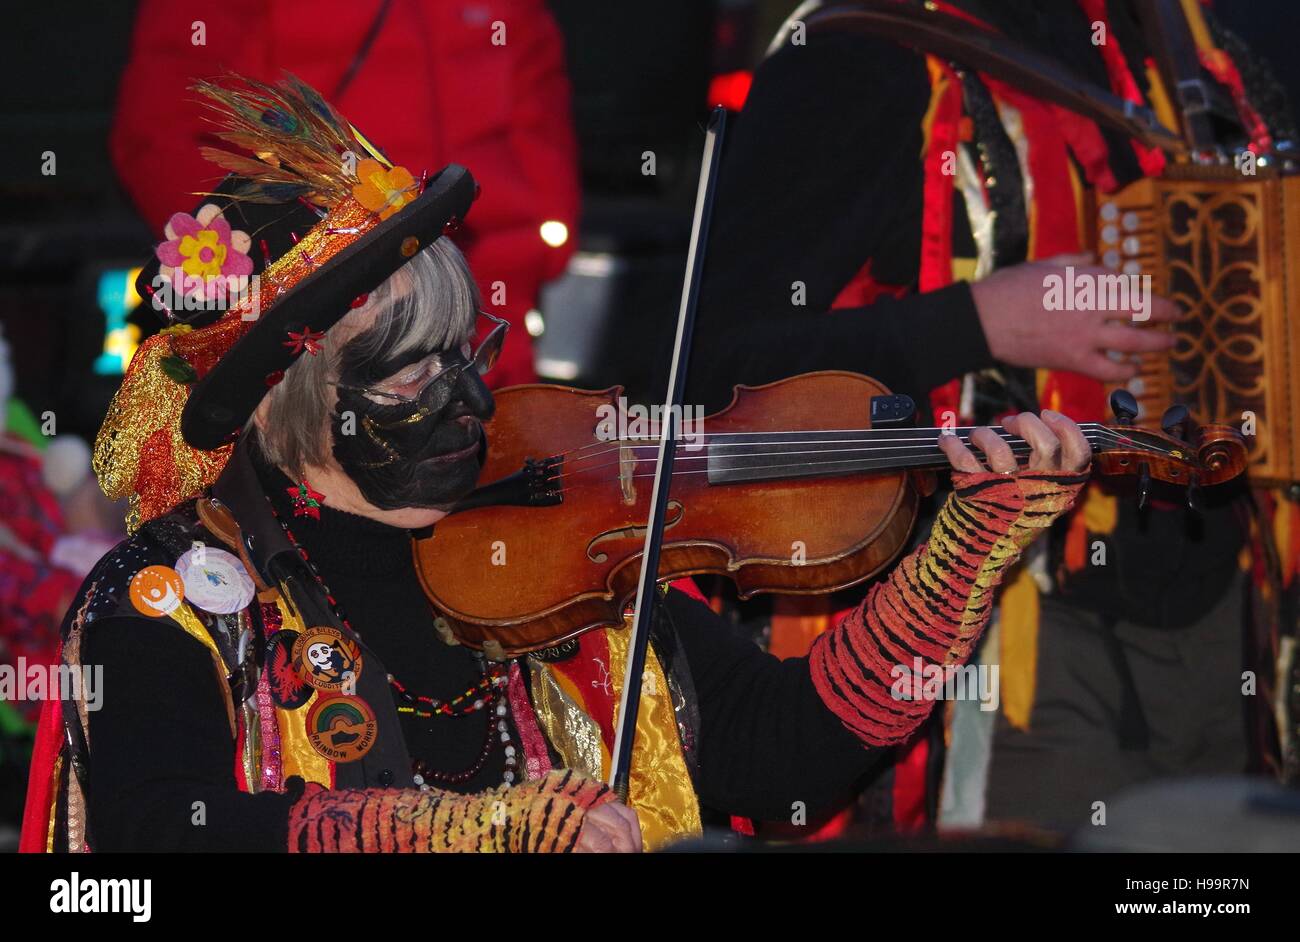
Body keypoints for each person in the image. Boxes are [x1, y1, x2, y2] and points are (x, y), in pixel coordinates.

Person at [20, 73, 1089, 853]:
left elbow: (789, 759)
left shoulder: (562, 551)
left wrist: (962, 552)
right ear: (289, 400)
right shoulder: (169, 599)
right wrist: (468, 833)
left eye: (464, 353)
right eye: (407, 373)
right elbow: (163, 836)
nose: (470, 399)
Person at [690, 0, 1290, 832]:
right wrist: (979, 322)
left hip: (1229, 620)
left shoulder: (1183, 43)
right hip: (1005, 643)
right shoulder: (865, 52)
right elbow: (709, 372)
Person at [108, 0, 580, 389]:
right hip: (326, 331)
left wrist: (543, 237)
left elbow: (538, 106)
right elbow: (165, 128)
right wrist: (260, 285)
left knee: (502, 461)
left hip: (490, 314)